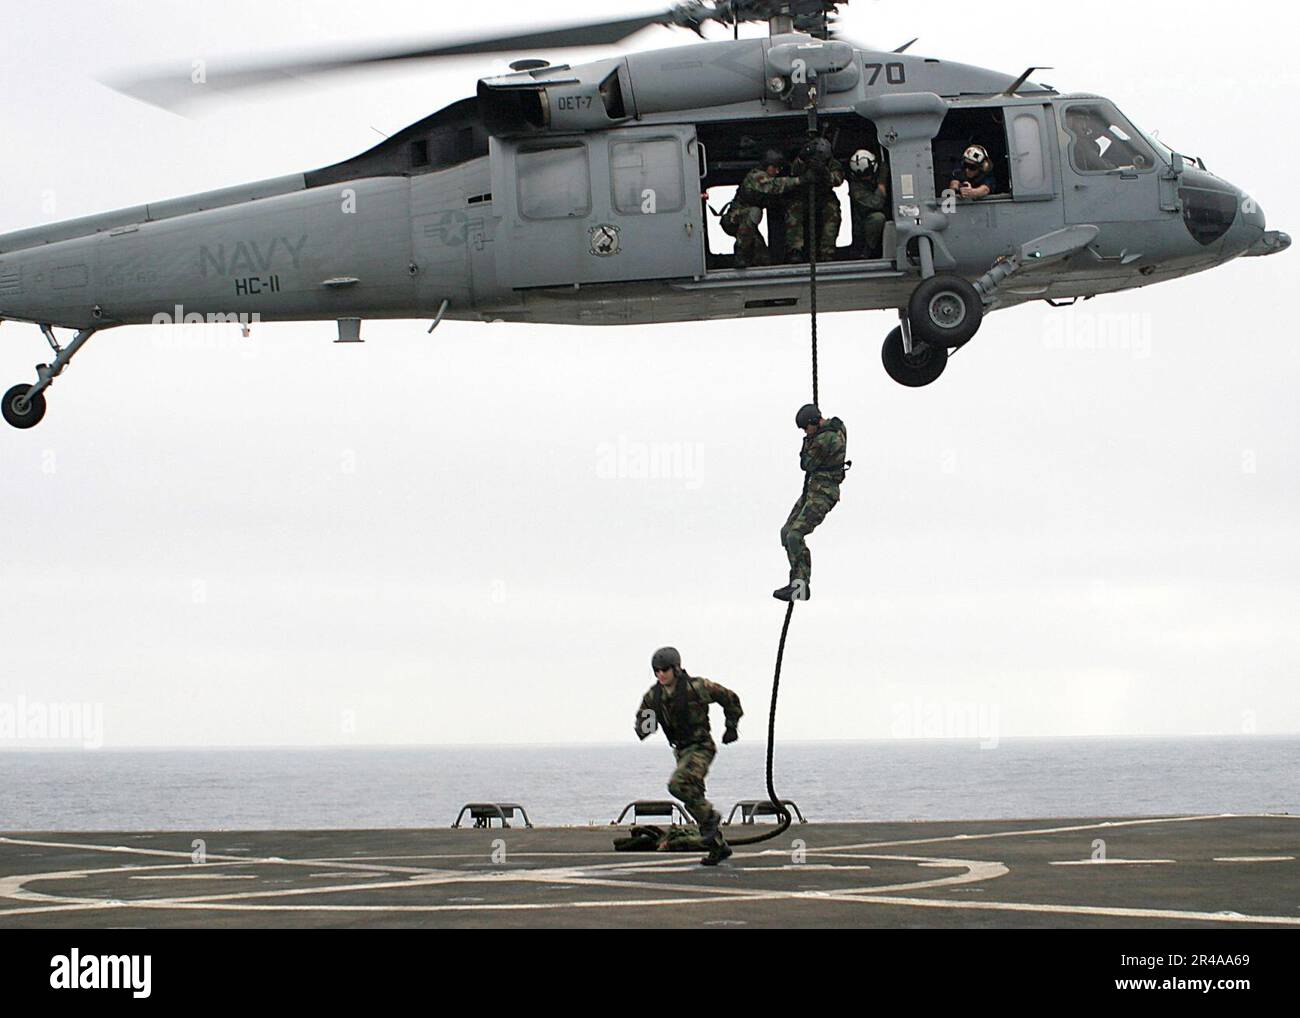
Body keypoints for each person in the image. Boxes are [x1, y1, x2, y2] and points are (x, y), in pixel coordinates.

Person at [634, 646, 743, 865]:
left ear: (676, 668)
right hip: (682, 750)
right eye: (656, 671)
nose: (661, 674)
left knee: (678, 785)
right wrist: (645, 726)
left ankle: (711, 819)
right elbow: (643, 724)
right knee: (694, 798)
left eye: (665, 669)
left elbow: (729, 697)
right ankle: (718, 847)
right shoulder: (654, 696)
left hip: (701, 747)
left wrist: (731, 726)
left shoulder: (697, 687)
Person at [775, 404, 848, 602]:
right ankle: (796, 579)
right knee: (786, 532)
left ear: (813, 423)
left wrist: (808, 441)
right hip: (812, 490)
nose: (805, 432)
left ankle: (801, 585)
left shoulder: (824, 439)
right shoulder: (836, 427)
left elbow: (806, 464)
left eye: (806, 428)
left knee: (795, 535)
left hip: (822, 493)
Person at [722, 150, 804, 268]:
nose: (776, 171)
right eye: (774, 167)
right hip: (734, 219)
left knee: (763, 259)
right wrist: (800, 180)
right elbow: (774, 185)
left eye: (779, 169)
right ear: (766, 166)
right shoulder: (755, 176)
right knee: (755, 211)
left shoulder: (769, 180)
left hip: (748, 227)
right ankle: (741, 254)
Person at [786, 137, 845, 263]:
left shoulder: (833, 163)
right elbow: (793, 171)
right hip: (803, 196)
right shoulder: (804, 160)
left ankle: (827, 252)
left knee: (833, 211)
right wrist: (802, 159)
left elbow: (837, 180)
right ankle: (795, 250)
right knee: (793, 210)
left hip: (824, 196)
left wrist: (823, 171)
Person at [847, 148, 888, 259]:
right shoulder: (856, 188)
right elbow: (877, 203)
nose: (866, 177)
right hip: (863, 229)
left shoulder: (879, 172)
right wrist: (881, 184)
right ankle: (868, 251)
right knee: (877, 218)